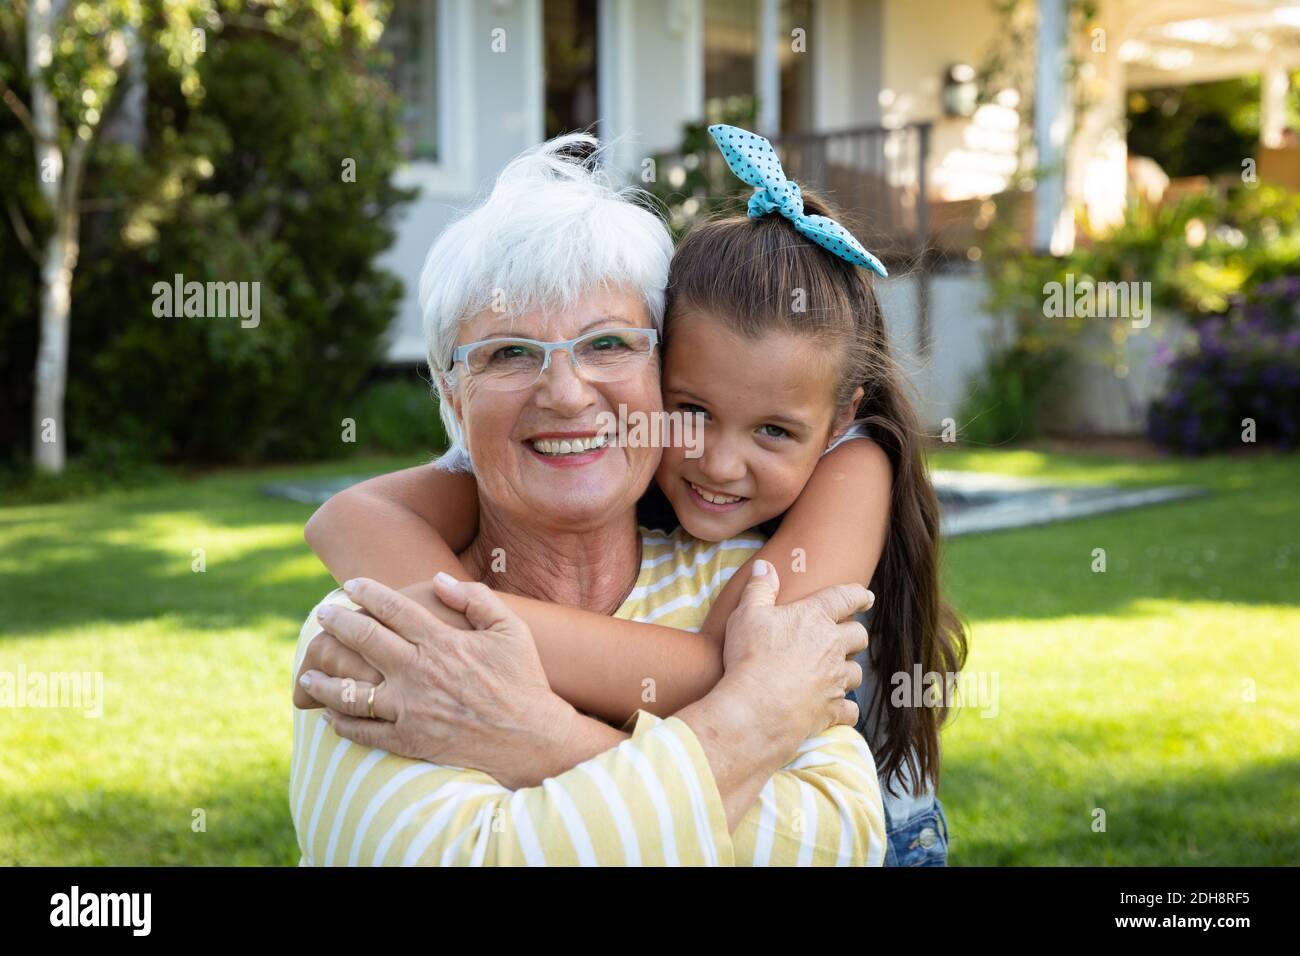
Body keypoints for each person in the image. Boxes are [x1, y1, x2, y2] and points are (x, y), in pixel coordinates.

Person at [303, 126, 967, 866]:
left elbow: (835, 844)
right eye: (510, 352)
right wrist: (750, 726)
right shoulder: (374, 623)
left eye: (608, 344)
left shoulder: (816, 506)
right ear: (453, 399)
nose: (565, 393)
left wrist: (522, 723)